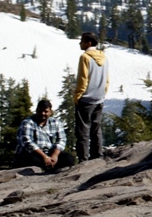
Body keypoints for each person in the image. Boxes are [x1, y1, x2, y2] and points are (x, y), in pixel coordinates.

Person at [74, 32, 109, 161]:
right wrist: (103, 93)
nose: (80, 43)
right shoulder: (104, 57)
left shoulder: (85, 57)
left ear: (89, 43)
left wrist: (78, 96)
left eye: (82, 41)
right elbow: (107, 79)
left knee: (83, 131)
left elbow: (83, 79)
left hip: (86, 98)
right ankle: (97, 157)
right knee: (96, 129)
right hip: (99, 98)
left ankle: (83, 159)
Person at [15, 99, 75, 171]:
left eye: (46, 111)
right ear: (36, 110)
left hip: (50, 152)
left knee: (69, 159)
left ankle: (51, 166)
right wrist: (44, 157)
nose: (43, 113)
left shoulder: (56, 122)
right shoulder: (28, 122)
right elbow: (27, 142)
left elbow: (62, 139)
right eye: (40, 111)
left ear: (50, 112)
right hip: (32, 153)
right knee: (33, 160)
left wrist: (55, 155)